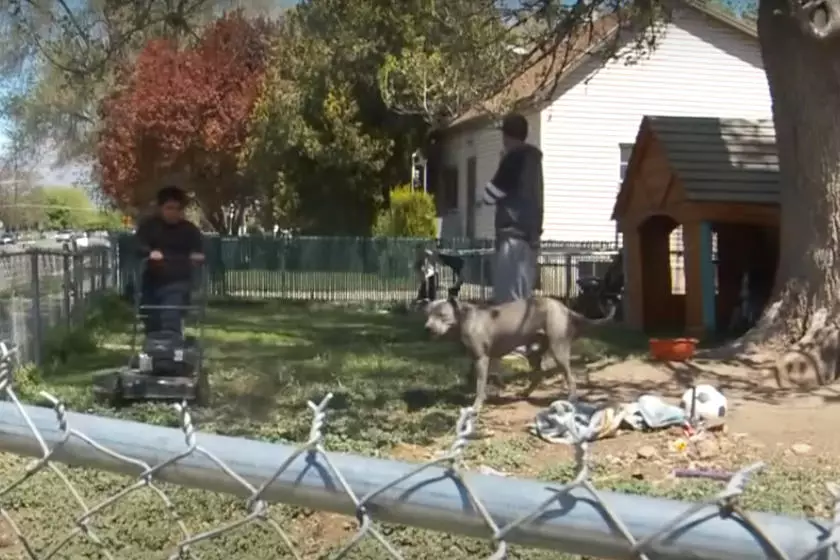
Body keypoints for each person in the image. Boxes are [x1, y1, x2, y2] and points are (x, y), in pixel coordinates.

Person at [483, 113, 544, 304]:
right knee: (522, 295)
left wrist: (502, 163)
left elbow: (490, 195)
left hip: (512, 236)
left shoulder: (513, 159)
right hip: (530, 235)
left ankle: (511, 334)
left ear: (506, 136)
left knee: (508, 298)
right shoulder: (534, 161)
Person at [135, 186, 205, 335]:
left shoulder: (189, 230)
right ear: (161, 208)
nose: (173, 212)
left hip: (178, 281)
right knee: (151, 317)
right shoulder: (149, 227)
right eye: (169, 208)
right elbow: (138, 245)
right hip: (152, 281)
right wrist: (150, 252)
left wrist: (197, 256)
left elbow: (200, 250)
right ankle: (154, 350)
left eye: (177, 209)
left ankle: (171, 349)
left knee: (170, 315)